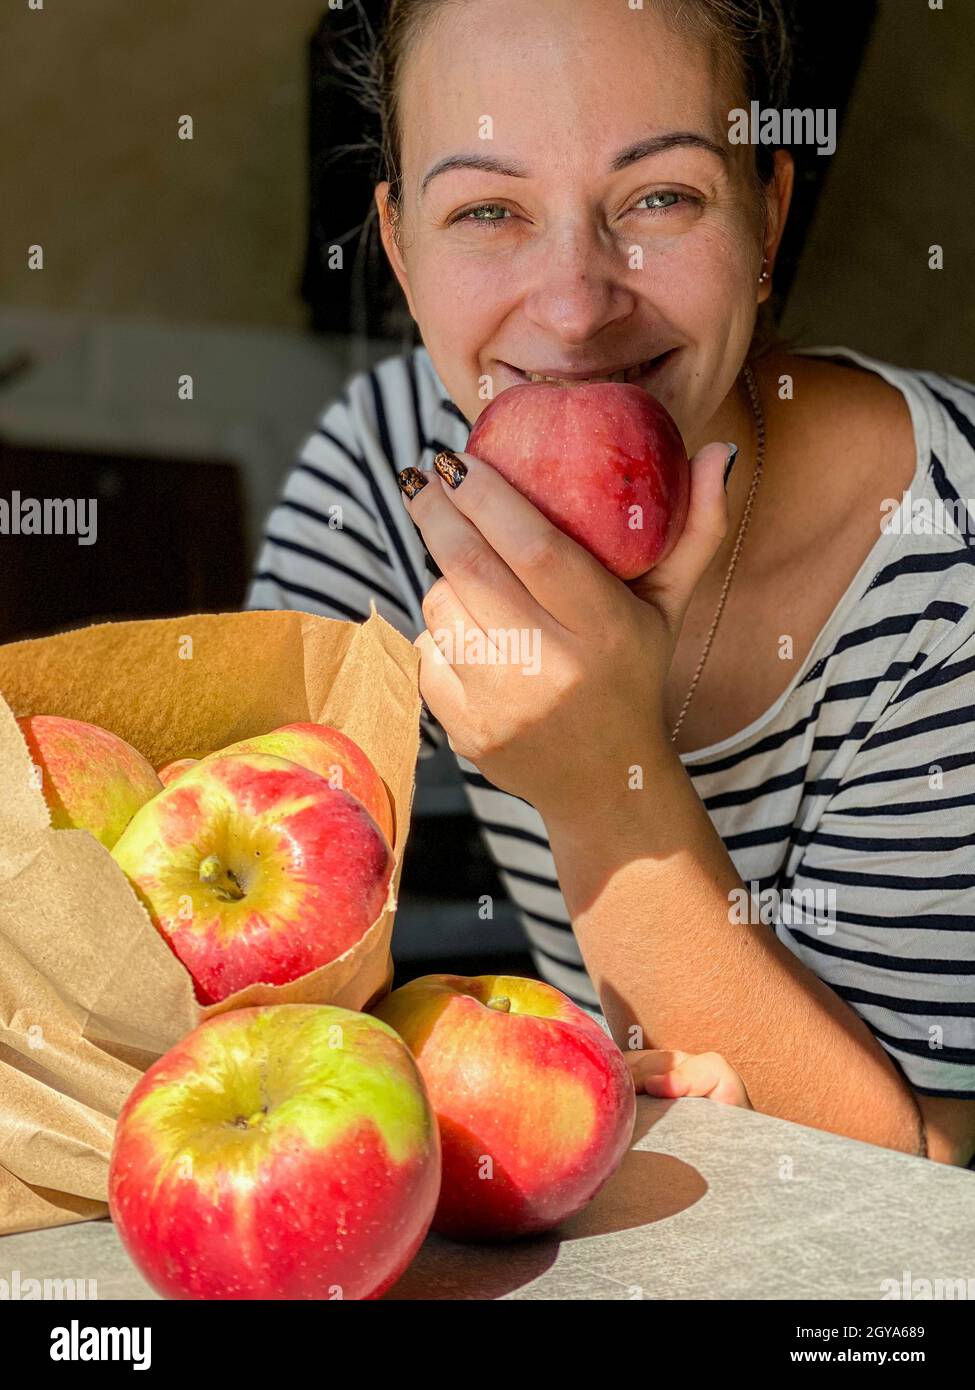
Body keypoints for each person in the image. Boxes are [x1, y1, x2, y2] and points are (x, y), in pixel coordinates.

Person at [248, 0, 975, 1164]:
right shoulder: (386, 465)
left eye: (660, 197)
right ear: (399, 247)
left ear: (767, 215)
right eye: (488, 209)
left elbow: (916, 1181)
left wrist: (604, 787)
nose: (577, 307)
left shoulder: (952, 558)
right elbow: (241, 942)